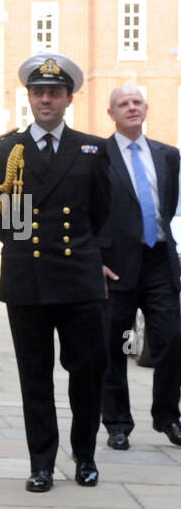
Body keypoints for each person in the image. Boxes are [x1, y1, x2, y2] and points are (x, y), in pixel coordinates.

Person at [0, 53, 111, 492]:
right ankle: (41, 463)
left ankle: (86, 456)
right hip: (28, 280)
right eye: (39, 92)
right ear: (29, 98)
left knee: (87, 373)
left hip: (79, 280)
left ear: (68, 99)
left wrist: (85, 255)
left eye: (54, 93)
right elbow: (0, 219)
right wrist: (29, 249)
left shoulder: (93, 149)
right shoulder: (4, 150)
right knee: (34, 377)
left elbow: (102, 212)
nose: (46, 100)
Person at [99, 84, 181, 449]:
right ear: (111, 114)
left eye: (137, 102)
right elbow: (89, 211)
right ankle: (117, 423)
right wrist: (95, 259)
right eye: (123, 104)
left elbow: (167, 205)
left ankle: (167, 416)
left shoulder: (168, 156)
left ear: (146, 109)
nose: (131, 108)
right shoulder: (97, 155)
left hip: (159, 262)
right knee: (115, 346)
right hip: (115, 266)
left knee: (172, 339)